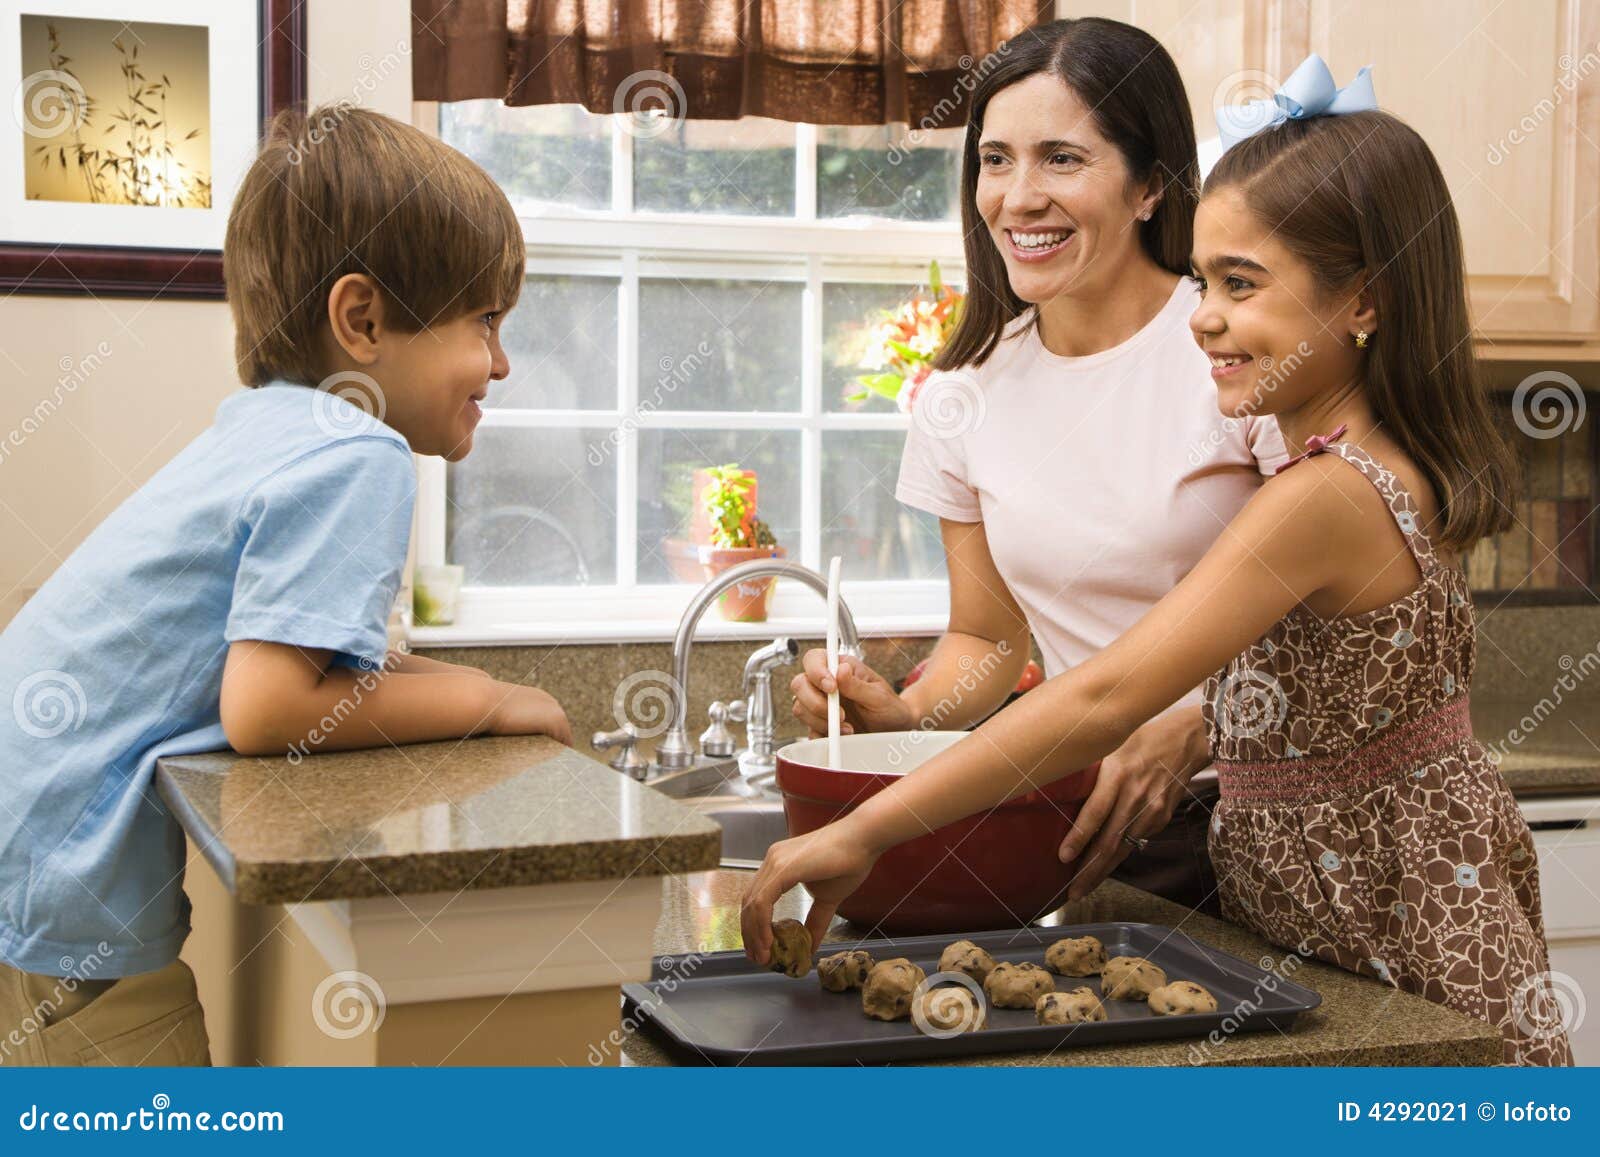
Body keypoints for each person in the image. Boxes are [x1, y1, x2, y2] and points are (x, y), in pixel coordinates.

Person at [747, 66, 1571, 1065]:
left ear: (1361, 298)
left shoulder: (1318, 497)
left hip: (1380, 921)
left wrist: (866, 827)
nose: (1201, 315)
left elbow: (1106, 691)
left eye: (1239, 283)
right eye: (1204, 277)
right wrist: (914, 717)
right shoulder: (1361, 464)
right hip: (1392, 898)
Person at [0, 106, 570, 1067]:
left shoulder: (266, 427)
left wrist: (443, 681)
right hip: (63, 895)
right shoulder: (357, 452)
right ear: (363, 320)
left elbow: (324, 662)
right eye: (485, 320)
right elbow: (268, 706)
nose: (502, 362)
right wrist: (492, 699)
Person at [790, 17, 1286, 915]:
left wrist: (1202, 719)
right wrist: (901, 716)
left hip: (1266, 808)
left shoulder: (1236, 349)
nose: (1018, 197)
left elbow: (1346, 596)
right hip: (1095, 827)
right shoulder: (963, 392)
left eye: (1062, 158)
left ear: (1148, 186)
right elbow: (987, 640)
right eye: (996, 159)